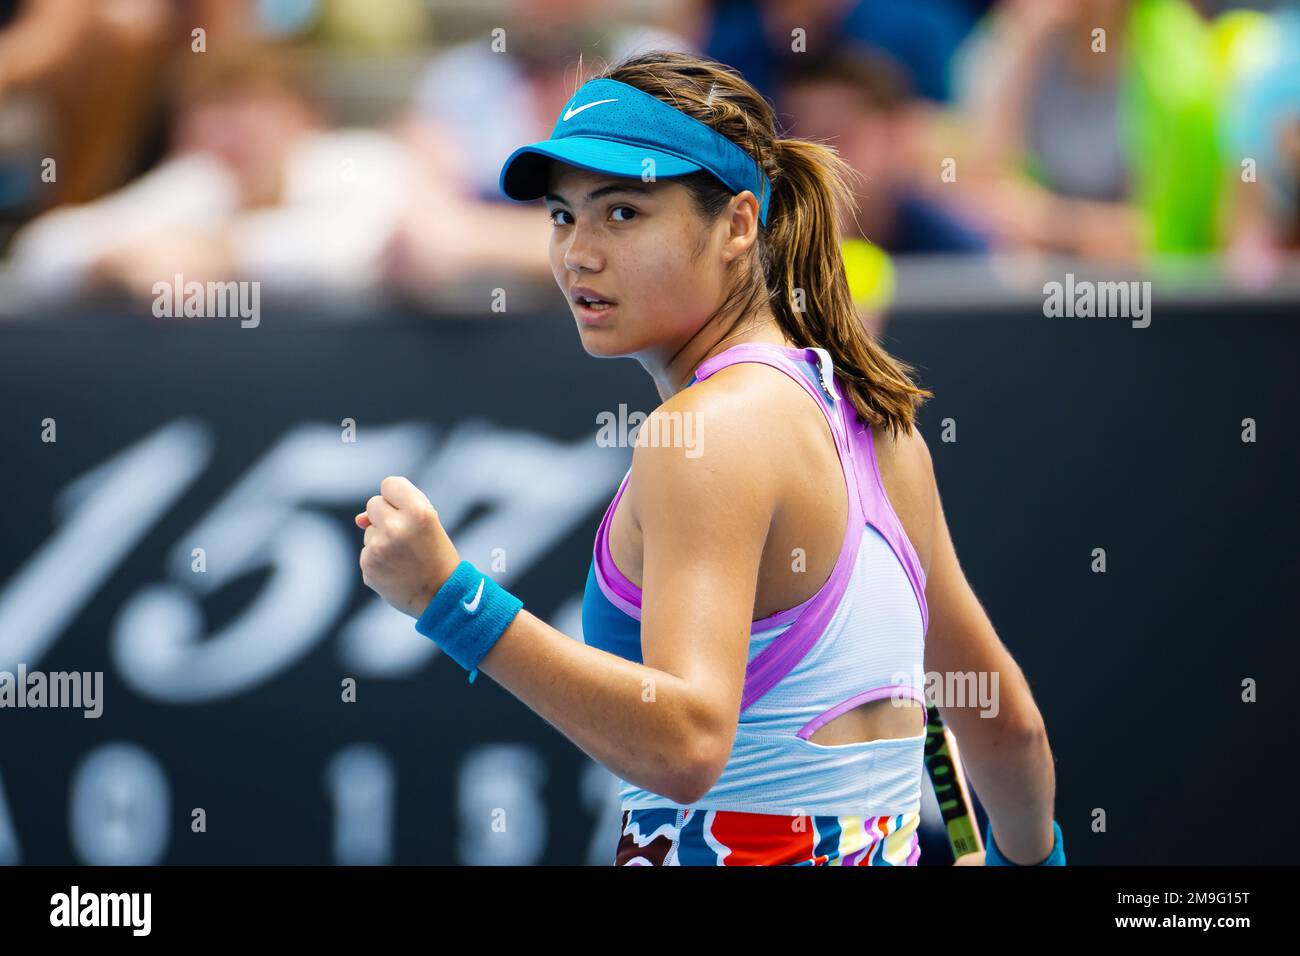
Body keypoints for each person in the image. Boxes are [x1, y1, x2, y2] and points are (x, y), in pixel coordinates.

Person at [355, 49, 1064, 867]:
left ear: (736, 225)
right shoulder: (879, 423)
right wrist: (1038, 860)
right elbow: (1009, 727)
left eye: (622, 213)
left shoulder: (700, 437)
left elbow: (686, 742)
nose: (577, 252)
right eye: (562, 215)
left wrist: (450, 600)